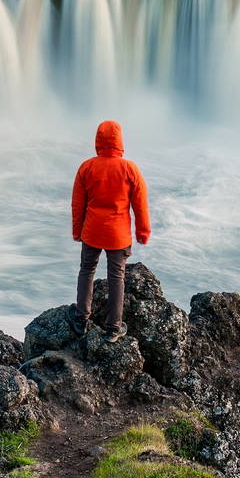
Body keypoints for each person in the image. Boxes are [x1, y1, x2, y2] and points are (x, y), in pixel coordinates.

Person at [71, 119, 151, 335]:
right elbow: (140, 204)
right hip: (118, 235)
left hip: (92, 231)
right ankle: (114, 328)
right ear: (120, 142)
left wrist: (77, 231)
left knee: (86, 271)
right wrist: (143, 232)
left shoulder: (87, 167)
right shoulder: (130, 169)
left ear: (97, 141)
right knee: (117, 276)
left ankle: (81, 319)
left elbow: (78, 204)